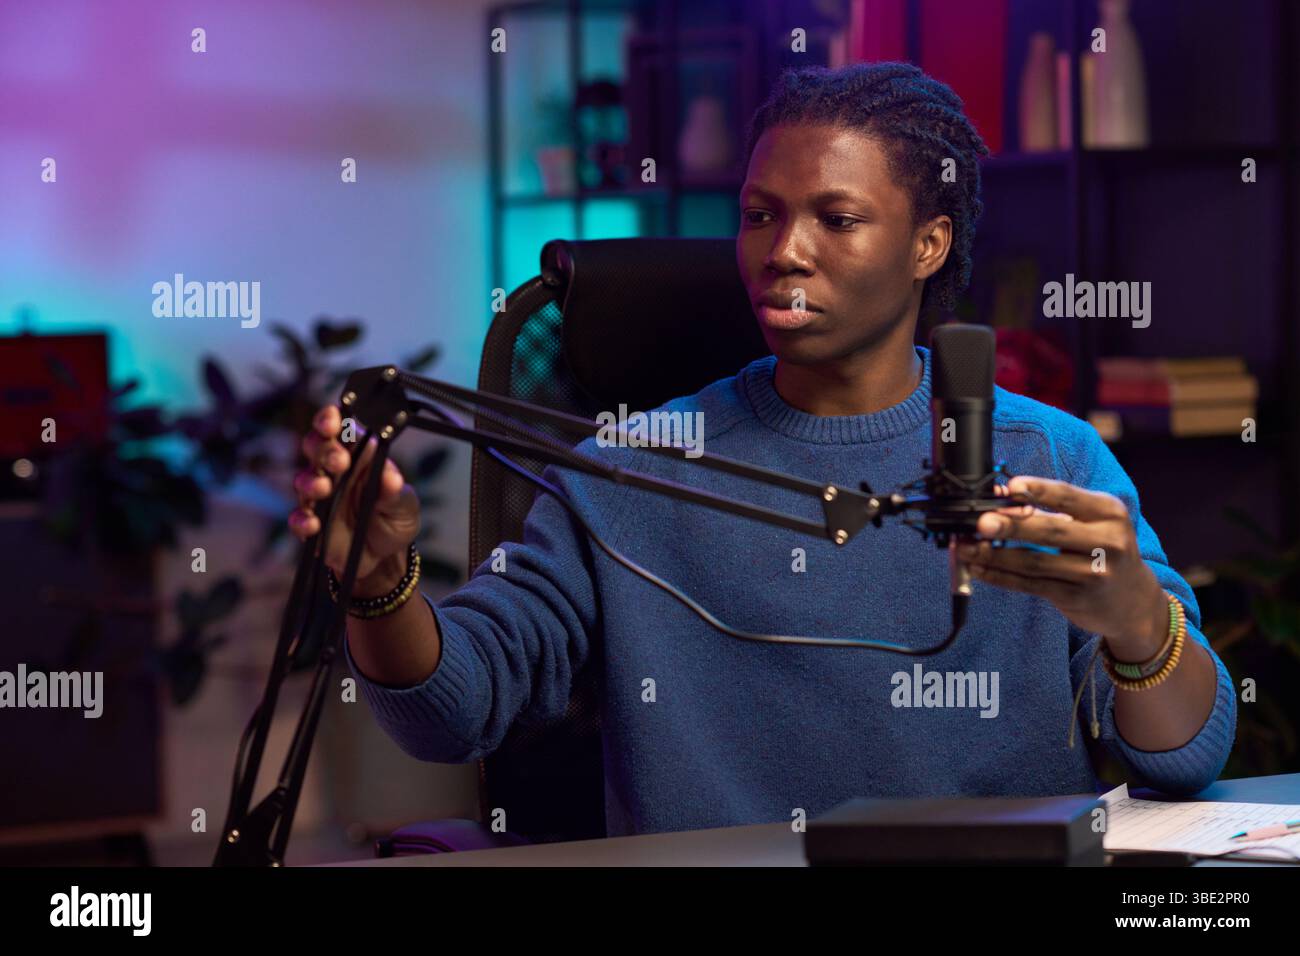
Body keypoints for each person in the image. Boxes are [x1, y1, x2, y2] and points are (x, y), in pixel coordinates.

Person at [289, 62, 1234, 837]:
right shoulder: (633, 463)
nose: (783, 249)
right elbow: (452, 711)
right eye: (759, 214)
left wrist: (1139, 626)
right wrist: (379, 583)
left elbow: (1187, 752)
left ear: (928, 244)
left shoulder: (1048, 456)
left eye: (837, 218)